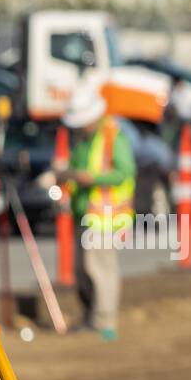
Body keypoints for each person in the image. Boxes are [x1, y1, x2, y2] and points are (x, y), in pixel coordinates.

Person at [54, 84, 135, 341]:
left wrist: (92, 178)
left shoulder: (113, 136)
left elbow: (125, 172)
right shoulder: (83, 140)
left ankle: (104, 322)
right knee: (83, 271)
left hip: (107, 218)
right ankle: (90, 316)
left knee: (101, 270)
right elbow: (76, 167)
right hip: (85, 214)